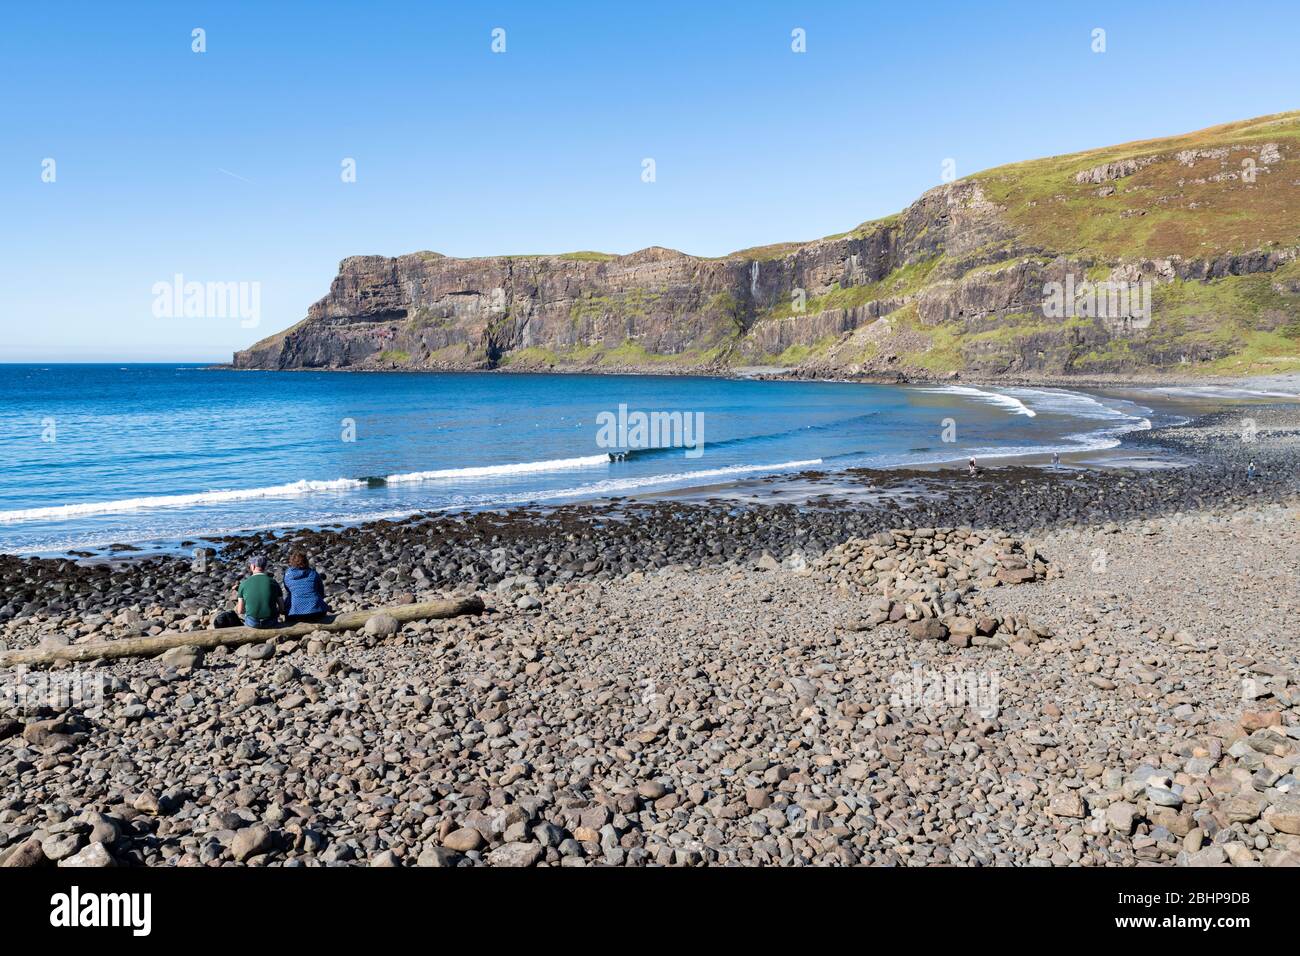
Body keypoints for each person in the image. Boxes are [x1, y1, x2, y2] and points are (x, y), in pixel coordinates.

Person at [234, 555, 282, 629]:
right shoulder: (273, 582)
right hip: (270, 622)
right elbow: (282, 607)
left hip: (253, 622)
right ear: (265, 567)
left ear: (252, 566)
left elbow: (240, 611)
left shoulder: (243, 584)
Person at [282, 550, 329, 624]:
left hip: (296, 614)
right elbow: (321, 591)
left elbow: (288, 590)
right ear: (306, 561)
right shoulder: (313, 573)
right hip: (317, 612)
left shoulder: (287, 575)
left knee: (289, 596)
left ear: (292, 562)